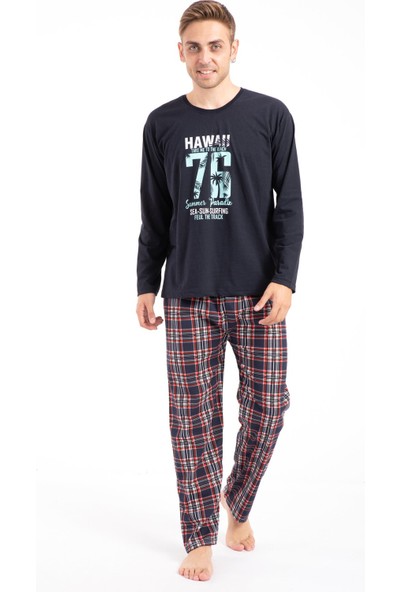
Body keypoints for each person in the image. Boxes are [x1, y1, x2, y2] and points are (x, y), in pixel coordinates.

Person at [136, 0, 303, 581]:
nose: (204, 57)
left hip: (259, 295)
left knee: (269, 407)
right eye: (193, 47)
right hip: (186, 293)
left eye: (214, 45)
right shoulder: (162, 123)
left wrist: (285, 278)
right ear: (180, 52)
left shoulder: (270, 115)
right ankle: (200, 534)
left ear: (234, 48)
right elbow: (154, 213)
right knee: (192, 419)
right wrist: (146, 283)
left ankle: (237, 499)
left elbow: (290, 206)